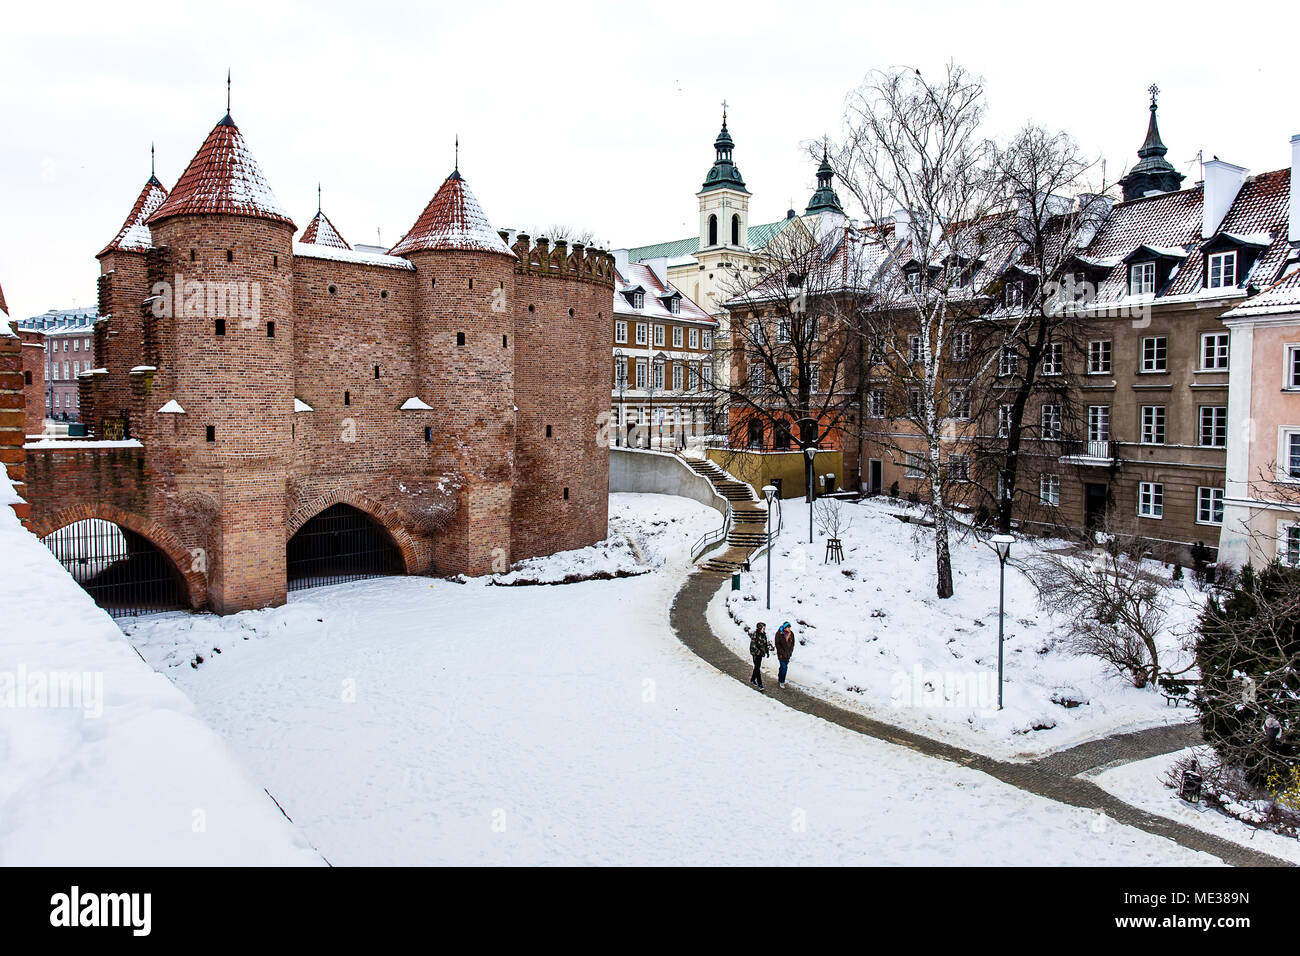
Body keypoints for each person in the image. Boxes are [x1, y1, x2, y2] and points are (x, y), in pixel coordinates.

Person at [749, 622, 771, 690]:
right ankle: (760, 684)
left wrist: (767, 652)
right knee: (757, 668)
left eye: (764, 628)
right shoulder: (755, 635)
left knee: (756, 667)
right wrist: (758, 652)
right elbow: (752, 646)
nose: (764, 629)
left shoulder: (764, 635)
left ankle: (752, 679)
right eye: (763, 628)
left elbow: (765, 644)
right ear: (759, 628)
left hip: (760, 654)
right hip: (755, 654)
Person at [773, 621, 795, 688]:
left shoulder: (791, 634)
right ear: (785, 627)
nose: (789, 629)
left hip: (788, 654)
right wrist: (781, 652)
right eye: (788, 627)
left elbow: (792, 644)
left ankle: (780, 677)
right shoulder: (779, 633)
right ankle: (782, 681)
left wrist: (790, 652)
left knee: (782, 667)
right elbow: (777, 644)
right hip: (781, 654)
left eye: (789, 627)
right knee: (784, 667)